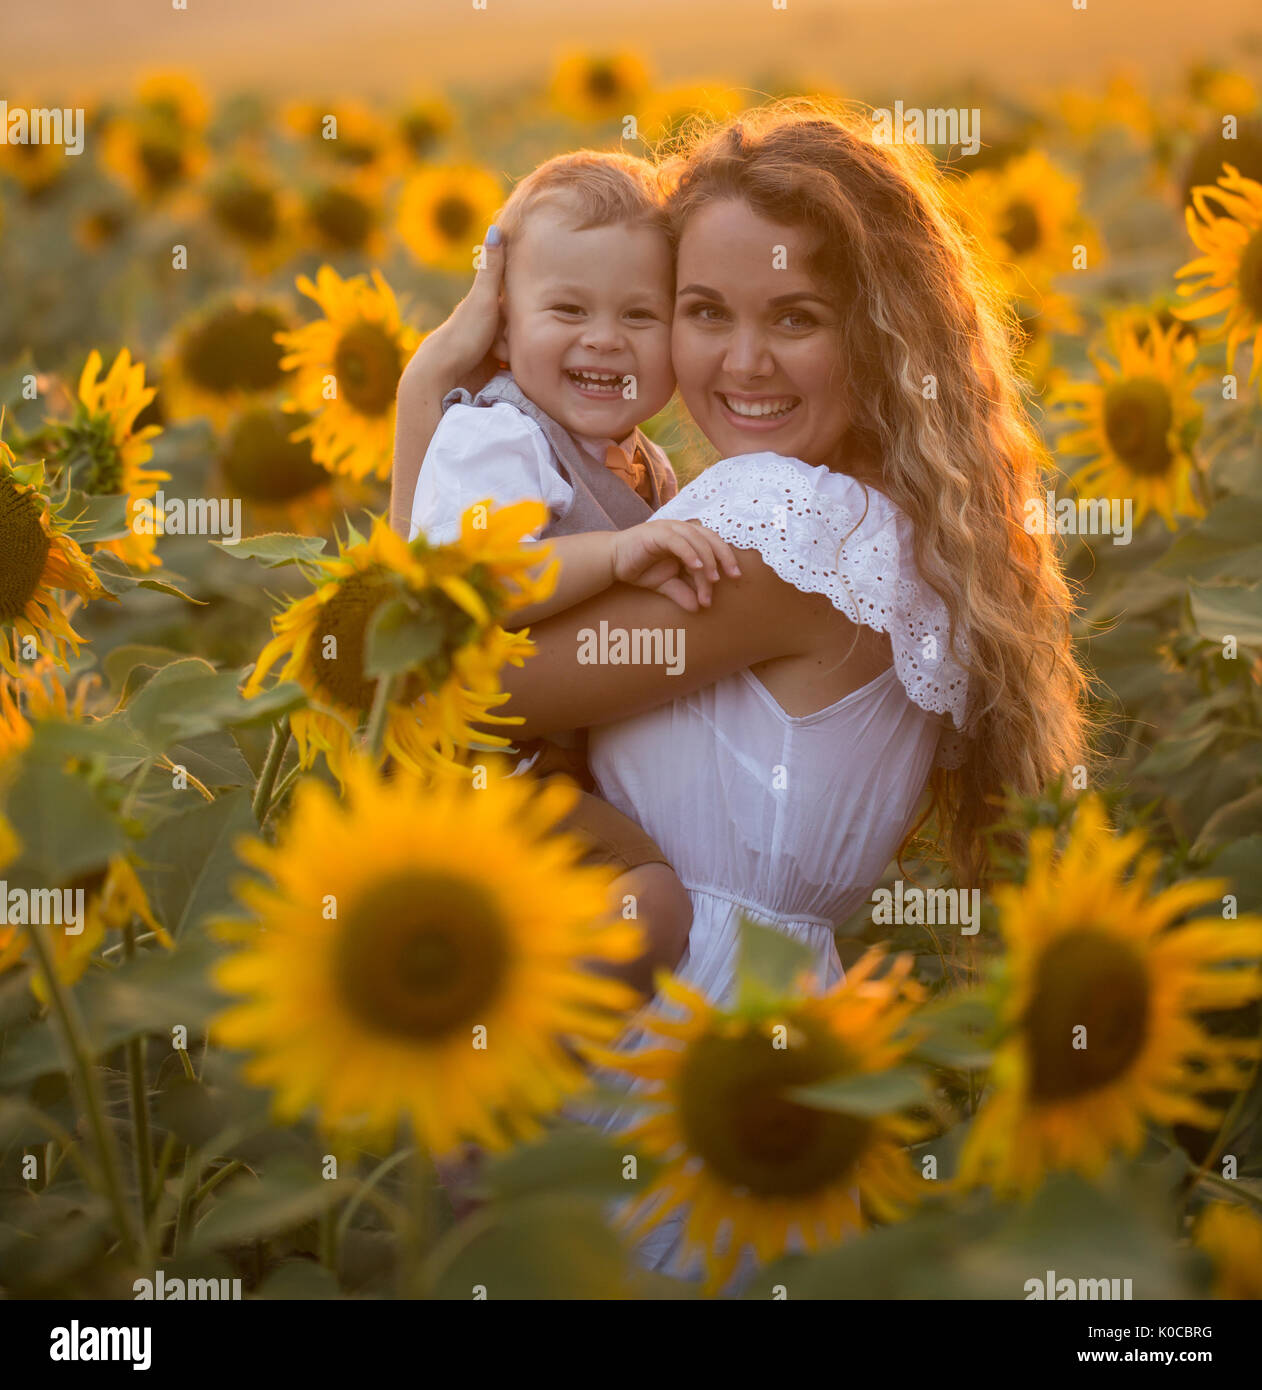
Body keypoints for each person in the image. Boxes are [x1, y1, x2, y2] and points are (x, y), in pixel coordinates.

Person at [392, 99, 1090, 1286]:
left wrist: (426, 396)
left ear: (877, 334)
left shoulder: (781, 521)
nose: (740, 361)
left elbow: (450, 675)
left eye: (795, 319)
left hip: (656, 1032)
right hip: (773, 1040)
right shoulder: (910, 531)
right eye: (702, 312)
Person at [404, 150, 710, 1002]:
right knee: (650, 905)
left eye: (639, 315)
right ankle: (508, 1047)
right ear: (502, 330)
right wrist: (616, 555)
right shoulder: (497, 439)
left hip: (565, 765)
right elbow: (474, 582)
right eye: (567, 309)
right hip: (489, 779)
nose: (604, 338)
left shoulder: (643, 462)